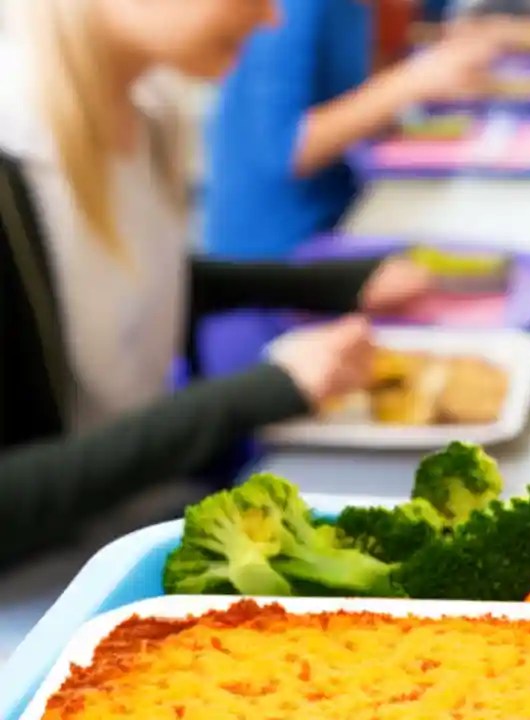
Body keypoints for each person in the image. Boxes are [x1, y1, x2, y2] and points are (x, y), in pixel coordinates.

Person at [0, 0, 439, 566]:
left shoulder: (145, 111)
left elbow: (137, 284)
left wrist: (339, 285)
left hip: (137, 516)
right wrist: (261, 391)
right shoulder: (14, 155)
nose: (271, 18)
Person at [203, 0, 501, 260]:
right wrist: (413, 80)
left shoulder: (355, 7)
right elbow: (283, 149)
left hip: (339, 220)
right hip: (276, 254)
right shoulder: (293, 6)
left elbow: (354, 106)